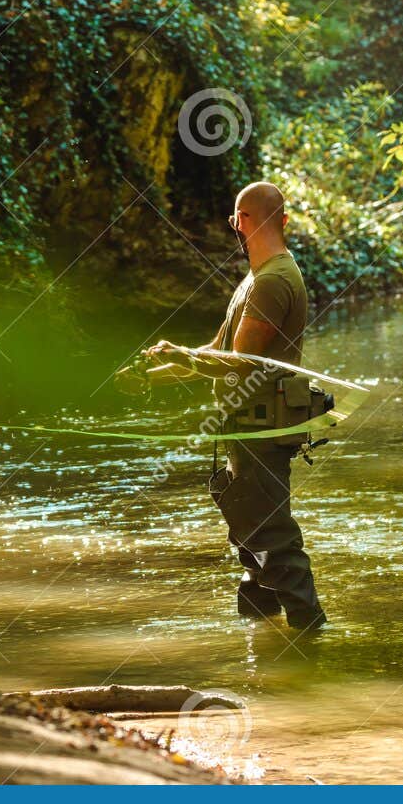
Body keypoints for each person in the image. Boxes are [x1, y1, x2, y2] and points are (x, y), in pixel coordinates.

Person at [117, 181, 327, 632]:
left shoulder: (272, 282)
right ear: (284, 221)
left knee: (273, 540)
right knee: (253, 545)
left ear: (240, 222)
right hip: (245, 428)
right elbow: (216, 351)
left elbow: (239, 365)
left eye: (236, 219)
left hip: (259, 432)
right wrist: (151, 376)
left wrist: (183, 356)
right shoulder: (256, 279)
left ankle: (313, 641)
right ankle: (265, 644)